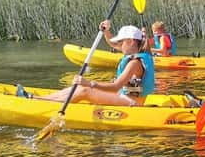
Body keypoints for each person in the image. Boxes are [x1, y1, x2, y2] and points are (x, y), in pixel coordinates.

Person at [23, 23, 156, 106]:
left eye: (121, 42)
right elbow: (112, 43)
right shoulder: (141, 53)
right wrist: (106, 31)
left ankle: (42, 103)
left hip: (131, 102)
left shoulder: (134, 63)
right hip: (123, 96)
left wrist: (89, 83)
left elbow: (116, 87)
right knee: (79, 86)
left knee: (85, 90)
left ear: (132, 42)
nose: (118, 46)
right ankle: (39, 99)